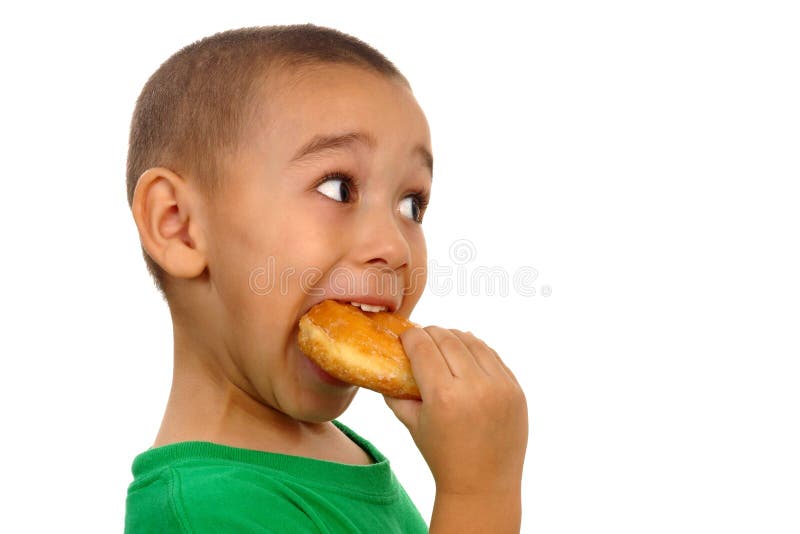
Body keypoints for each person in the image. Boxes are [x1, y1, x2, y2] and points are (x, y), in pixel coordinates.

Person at [124, 24, 528, 533]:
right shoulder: (206, 511)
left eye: (411, 204)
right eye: (339, 188)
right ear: (179, 225)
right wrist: (479, 491)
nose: (395, 247)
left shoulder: (344, 451)